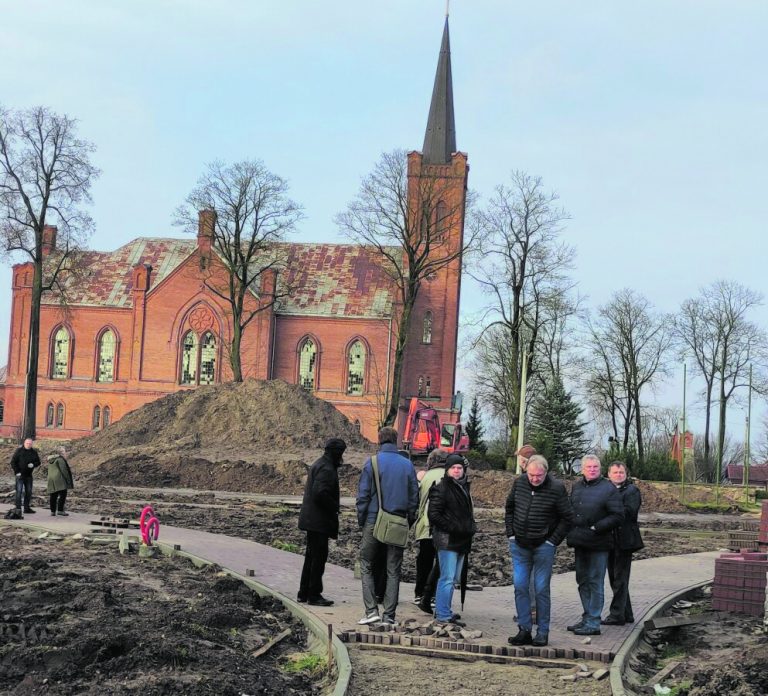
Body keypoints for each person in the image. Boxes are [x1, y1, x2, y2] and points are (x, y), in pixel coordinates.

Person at [505, 455, 573, 647]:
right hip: (519, 544)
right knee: (520, 585)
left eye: (539, 475)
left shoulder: (557, 488)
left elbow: (567, 517)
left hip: (544, 546)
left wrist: (552, 541)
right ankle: (524, 629)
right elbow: (509, 508)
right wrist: (510, 533)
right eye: (531, 475)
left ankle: (542, 632)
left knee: (541, 588)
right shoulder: (519, 484)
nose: (535, 479)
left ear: (546, 472)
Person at [356, 427, 418, 626]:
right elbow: (413, 497)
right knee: (394, 569)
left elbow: (363, 496)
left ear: (379, 440)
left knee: (366, 563)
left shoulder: (372, 463)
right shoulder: (407, 465)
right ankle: (389, 615)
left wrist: (362, 520)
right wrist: (409, 520)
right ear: (396, 440)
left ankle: (371, 610)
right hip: (398, 521)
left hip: (374, 520)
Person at [566, 454, 624, 636]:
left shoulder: (608, 489)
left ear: (600, 469)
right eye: (589, 467)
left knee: (595, 581)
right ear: (582, 469)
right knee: (582, 581)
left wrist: (597, 527)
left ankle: (593, 621)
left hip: (599, 543)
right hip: (580, 542)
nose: (592, 470)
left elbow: (618, 515)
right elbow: (570, 509)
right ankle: (587, 616)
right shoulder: (576, 487)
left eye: (595, 467)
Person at [297, 438, 347, 606]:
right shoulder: (327, 468)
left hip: (312, 520)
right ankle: (314, 594)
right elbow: (320, 493)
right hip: (319, 521)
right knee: (318, 558)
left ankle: (304, 592)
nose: (342, 457)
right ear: (337, 453)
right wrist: (334, 507)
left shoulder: (320, 463)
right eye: (341, 453)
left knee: (311, 557)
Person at [603, 461, 643, 626]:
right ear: (609, 474)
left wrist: (608, 513)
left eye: (621, 472)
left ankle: (616, 615)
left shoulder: (632, 491)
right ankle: (627, 613)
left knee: (620, 577)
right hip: (610, 541)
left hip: (624, 541)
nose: (618, 475)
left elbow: (629, 512)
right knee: (615, 578)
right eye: (615, 472)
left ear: (626, 474)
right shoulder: (606, 490)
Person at [413, 448, 449, 610]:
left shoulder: (427, 477)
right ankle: (433, 594)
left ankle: (420, 592)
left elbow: (419, 500)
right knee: (440, 562)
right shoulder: (451, 475)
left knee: (424, 560)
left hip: (426, 526)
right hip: (445, 528)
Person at [10, 438, 41, 515]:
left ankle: (26, 508)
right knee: (19, 492)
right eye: (27, 443)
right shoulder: (19, 451)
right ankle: (18, 508)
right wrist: (17, 472)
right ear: (24, 443)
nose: (29, 445)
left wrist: (33, 464)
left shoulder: (34, 452)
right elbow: (13, 462)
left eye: (30, 444)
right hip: (20, 475)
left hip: (29, 475)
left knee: (29, 492)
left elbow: (38, 462)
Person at [47, 446, 74, 516]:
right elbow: (64, 470)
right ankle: (60, 510)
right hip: (60, 479)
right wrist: (68, 480)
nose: (65, 453)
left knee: (53, 495)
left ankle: (52, 511)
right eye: (64, 451)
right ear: (61, 453)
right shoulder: (60, 459)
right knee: (63, 495)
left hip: (51, 479)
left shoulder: (50, 459)